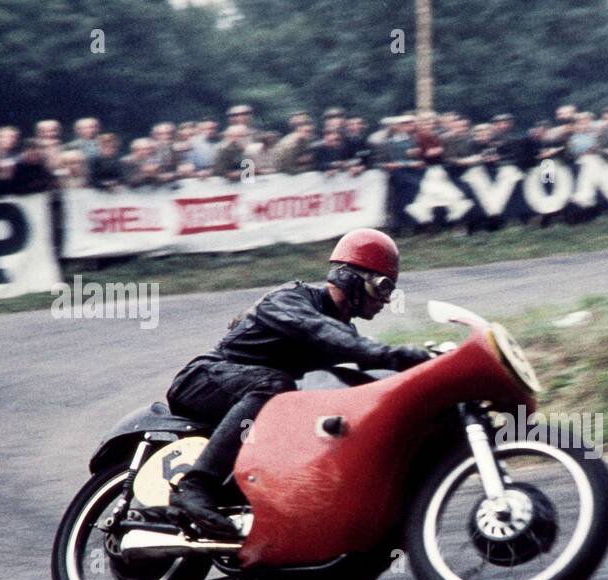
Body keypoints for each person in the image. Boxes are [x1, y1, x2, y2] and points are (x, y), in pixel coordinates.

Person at [162, 229, 432, 538]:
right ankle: (194, 487)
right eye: (383, 286)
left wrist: (417, 374)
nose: (386, 299)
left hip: (245, 394)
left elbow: (359, 364)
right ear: (351, 278)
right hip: (203, 379)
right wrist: (397, 354)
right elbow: (320, 331)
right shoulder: (291, 299)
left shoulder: (340, 329)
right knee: (276, 385)